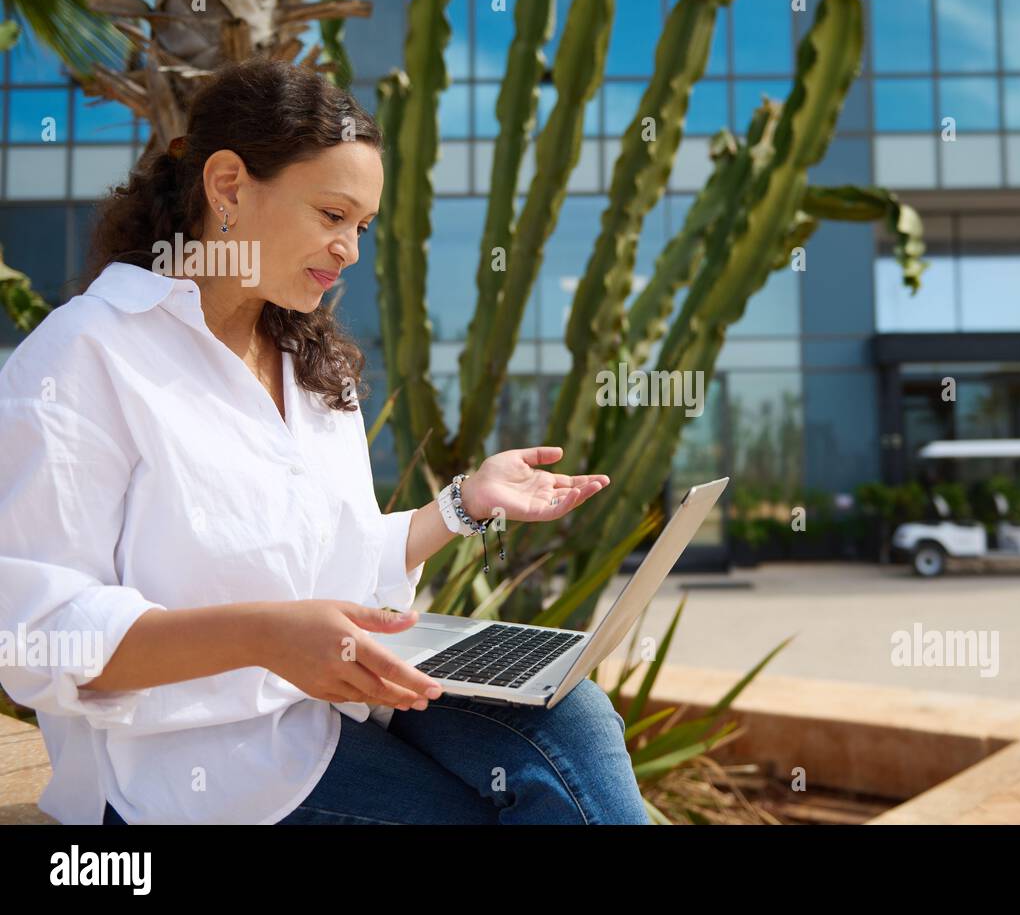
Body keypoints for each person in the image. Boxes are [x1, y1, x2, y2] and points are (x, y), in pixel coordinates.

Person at [0, 57, 649, 825]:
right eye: (332, 215)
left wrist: (464, 504)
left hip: (334, 702)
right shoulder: (88, 353)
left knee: (574, 721)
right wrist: (266, 637)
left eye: (363, 227)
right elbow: (35, 636)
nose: (351, 249)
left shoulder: (306, 360)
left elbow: (327, 561)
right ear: (229, 186)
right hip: (197, 767)